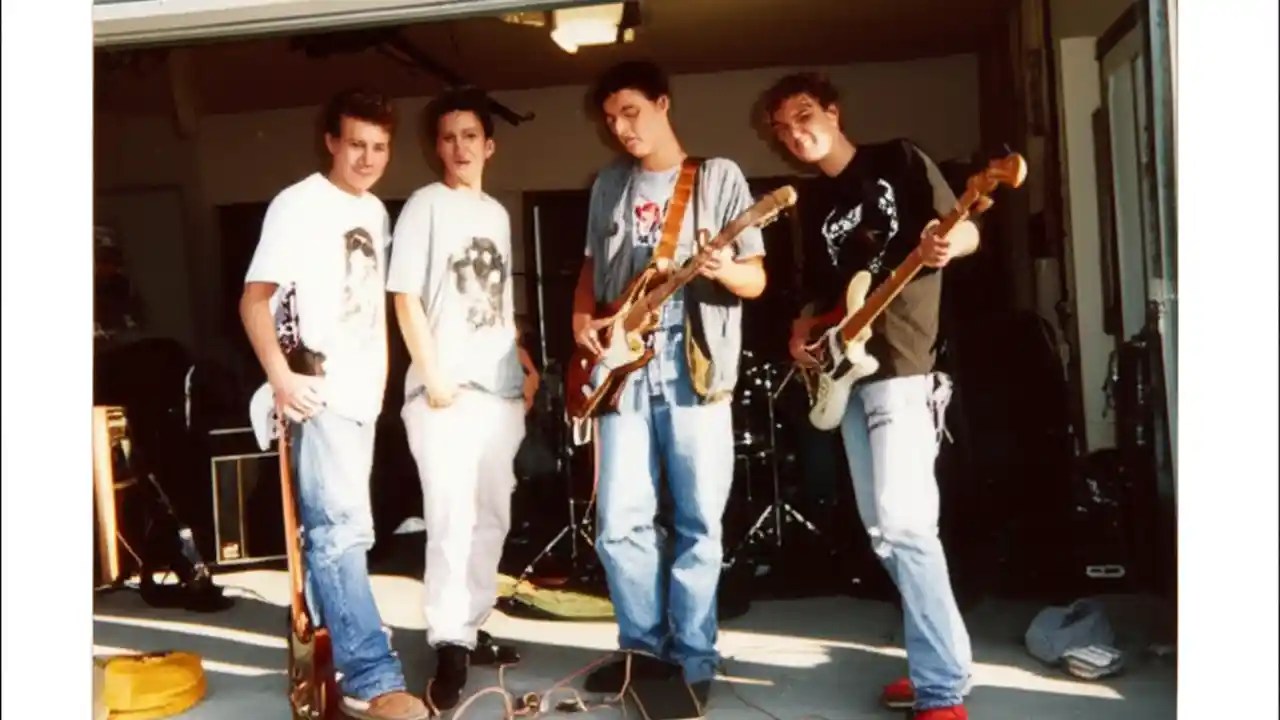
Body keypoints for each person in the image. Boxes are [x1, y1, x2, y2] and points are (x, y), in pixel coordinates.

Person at [760, 71, 977, 720]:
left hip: (903, 364)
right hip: (846, 372)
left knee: (908, 524)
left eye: (805, 117)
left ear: (832, 110)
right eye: (783, 129)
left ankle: (943, 690)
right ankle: (932, 660)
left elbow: (964, 229)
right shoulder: (812, 201)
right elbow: (819, 293)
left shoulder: (898, 160)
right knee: (883, 530)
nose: (797, 134)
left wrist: (946, 244)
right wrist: (803, 328)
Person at [571, 60, 768, 709]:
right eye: (610, 120)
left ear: (662, 103)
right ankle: (642, 650)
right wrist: (582, 323)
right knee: (618, 521)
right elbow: (593, 269)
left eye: (631, 112)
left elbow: (755, 281)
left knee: (696, 520)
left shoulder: (717, 177)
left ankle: (692, 655)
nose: (621, 128)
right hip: (624, 365)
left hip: (694, 364)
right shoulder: (607, 184)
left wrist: (721, 267)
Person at [239, 89, 430, 720]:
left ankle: (326, 659)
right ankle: (370, 677)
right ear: (331, 141)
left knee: (340, 533)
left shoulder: (376, 211)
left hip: (360, 394)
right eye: (356, 145)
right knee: (341, 533)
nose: (368, 158)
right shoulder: (297, 204)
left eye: (379, 147)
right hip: (317, 391)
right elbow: (254, 300)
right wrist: (283, 378)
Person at [386, 86, 539, 713]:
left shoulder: (497, 215)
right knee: (449, 520)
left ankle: (470, 625)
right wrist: (433, 375)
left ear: (489, 145)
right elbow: (405, 297)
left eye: (469, 136)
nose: (459, 148)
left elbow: (495, 305)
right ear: (436, 148)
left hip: (497, 394)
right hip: (444, 393)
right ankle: (448, 640)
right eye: (448, 138)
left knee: (492, 517)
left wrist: (523, 365)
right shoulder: (425, 206)